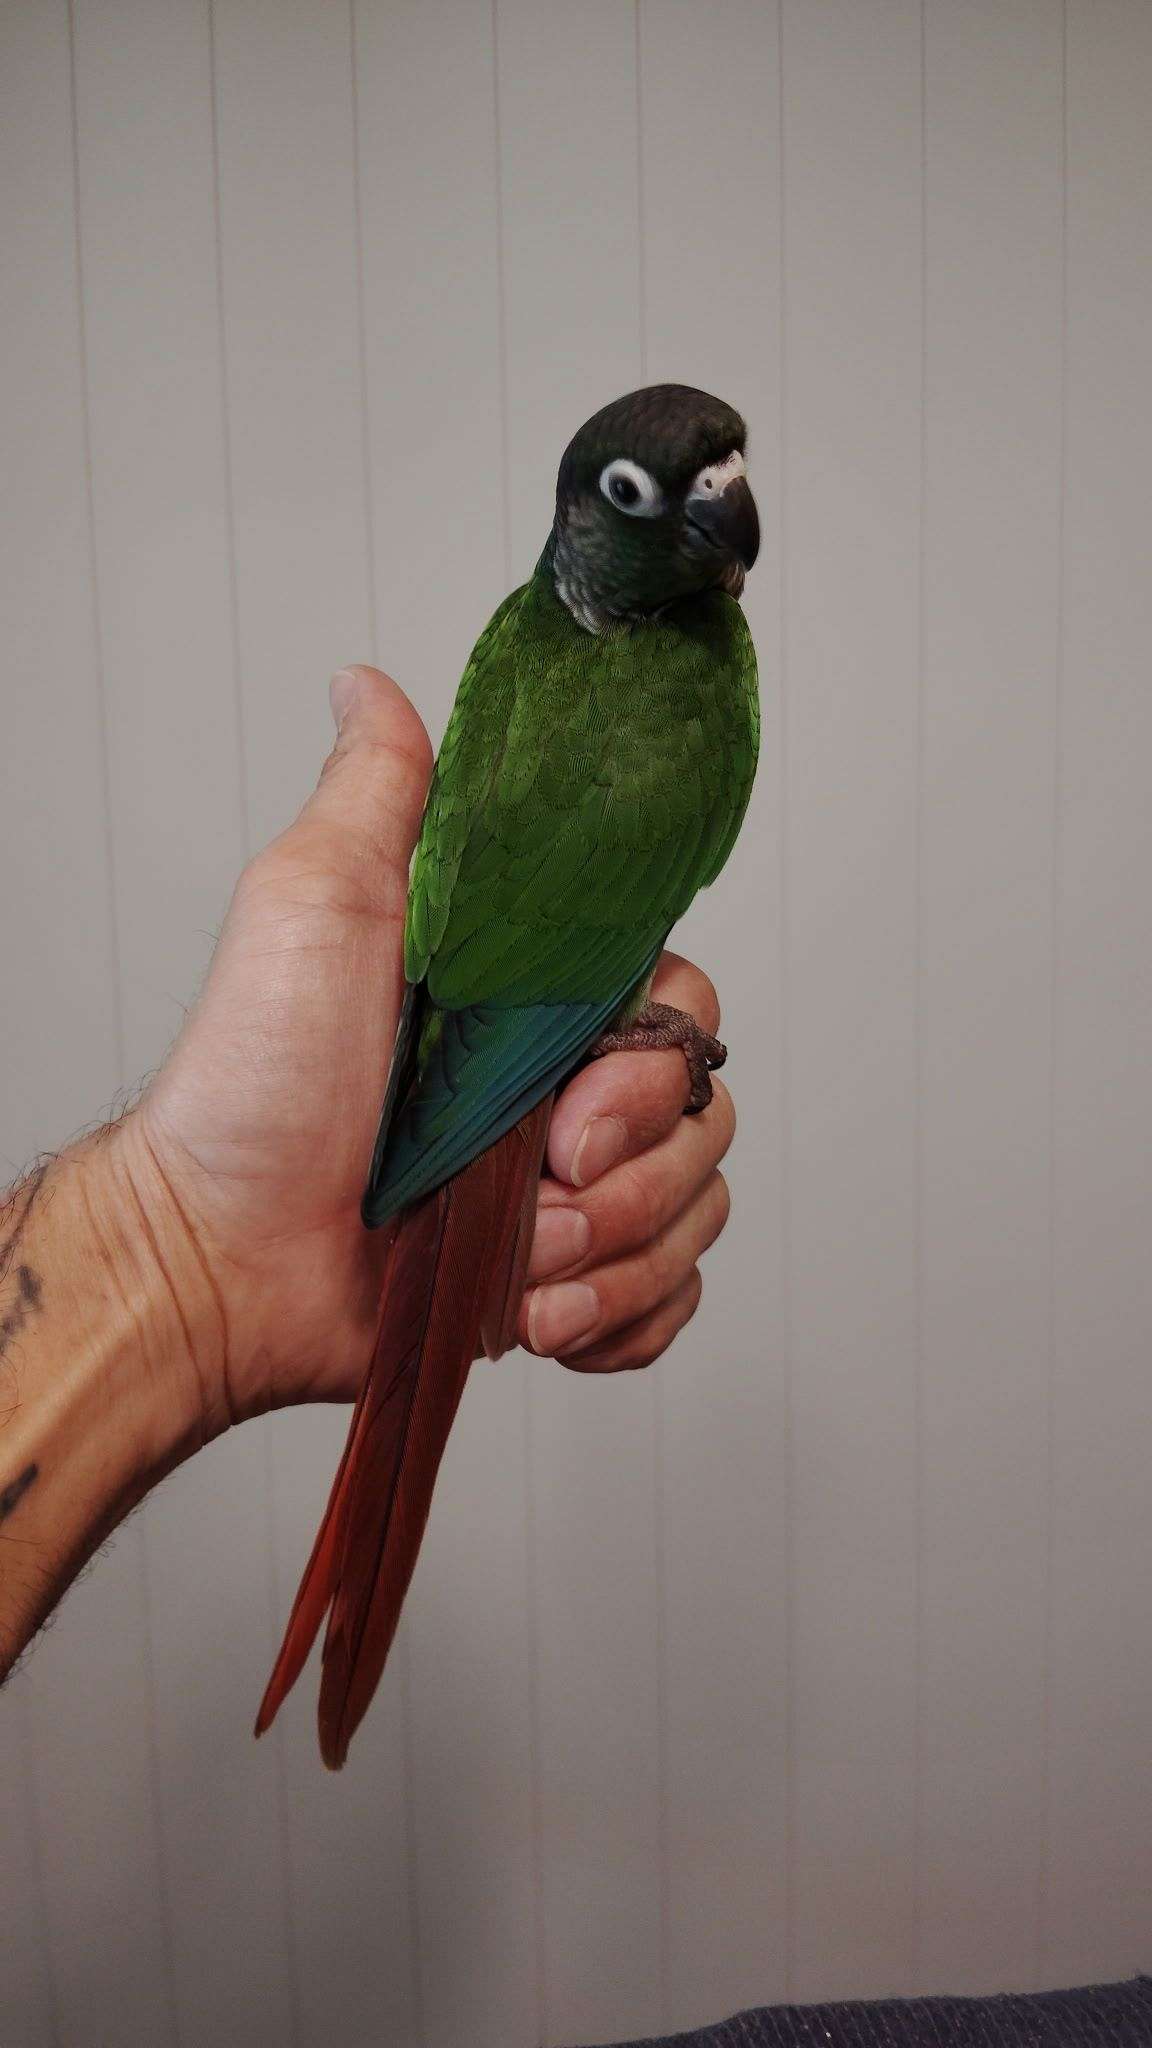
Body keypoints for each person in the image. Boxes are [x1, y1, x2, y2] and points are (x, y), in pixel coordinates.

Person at [0, 664, 734, 1676]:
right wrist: (174, 1253)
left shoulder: (557, 671)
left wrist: (173, 1263)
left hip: (478, 1022)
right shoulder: (690, 698)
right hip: (486, 1025)